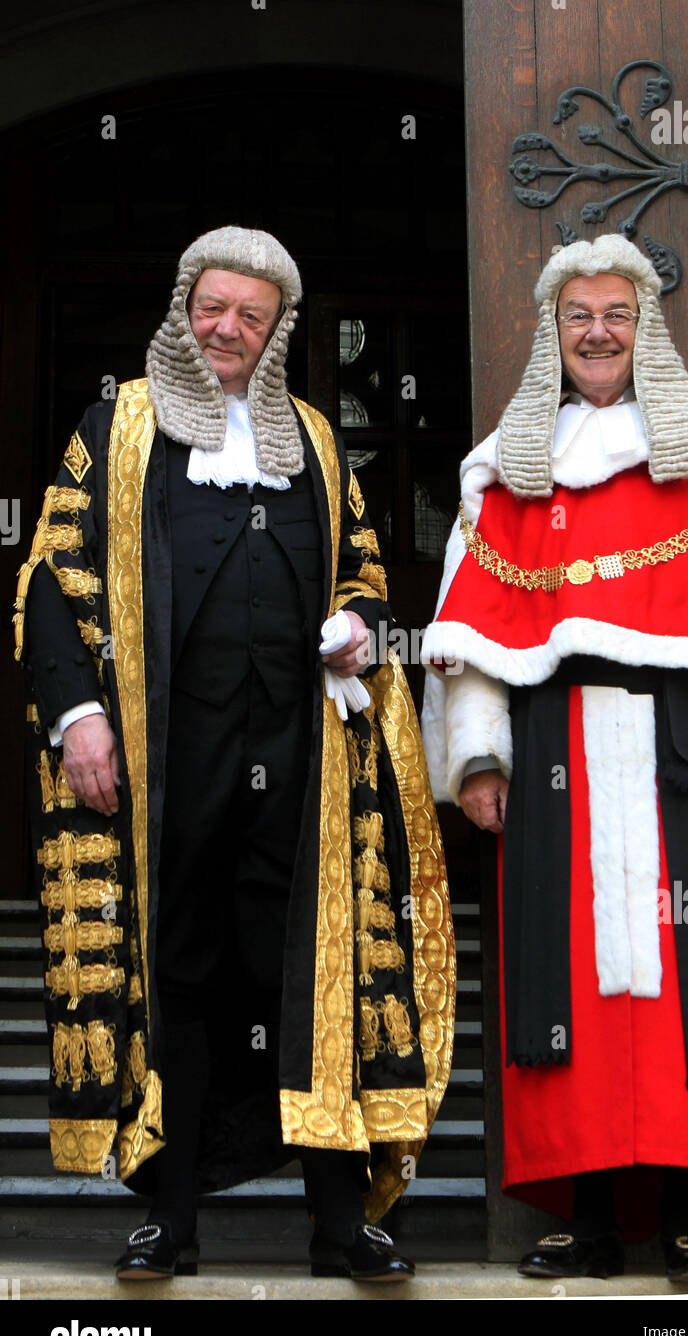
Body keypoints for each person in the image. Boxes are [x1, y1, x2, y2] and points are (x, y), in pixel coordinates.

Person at [14, 226, 454, 1282]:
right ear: (183, 306)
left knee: (314, 974)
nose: (228, 329)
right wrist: (80, 720)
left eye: (250, 316)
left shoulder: (309, 434)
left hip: (303, 759)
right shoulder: (115, 424)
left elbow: (362, 568)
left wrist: (358, 622)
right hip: (167, 760)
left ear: (277, 329)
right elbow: (46, 579)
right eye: (213, 307)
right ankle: (171, 1220)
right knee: (179, 971)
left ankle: (340, 1227)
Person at [421, 233, 688, 1283]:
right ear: (553, 335)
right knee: (568, 998)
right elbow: (469, 641)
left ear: (644, 331)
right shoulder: (508, 473)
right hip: (552, 758)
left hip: (682, 760)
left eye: (616, 315)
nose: (596, 332)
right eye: (577, 316)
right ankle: (587, 1215)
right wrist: (479, 760)